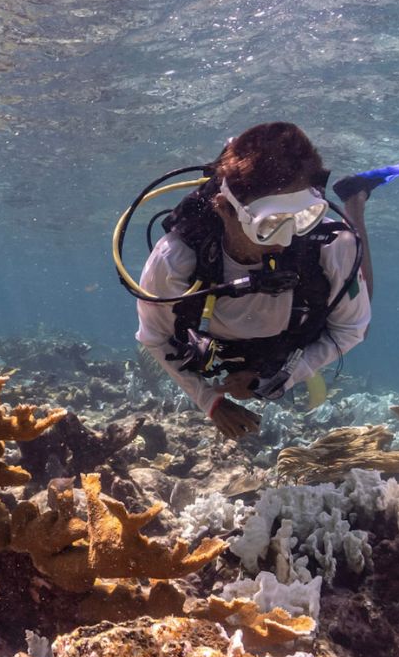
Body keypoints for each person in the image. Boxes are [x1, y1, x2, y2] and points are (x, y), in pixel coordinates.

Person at [134, 122, 375, 440]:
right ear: (225, 210)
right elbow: (154, 337)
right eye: (271, 224)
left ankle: (354, 202)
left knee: (364, 315)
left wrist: (280, 378)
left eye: (304, 218)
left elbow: (350, 330)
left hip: (291, 339)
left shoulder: (332, 245)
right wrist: (210, 401)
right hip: (222, 342)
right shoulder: (175, 259)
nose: (288, 240)